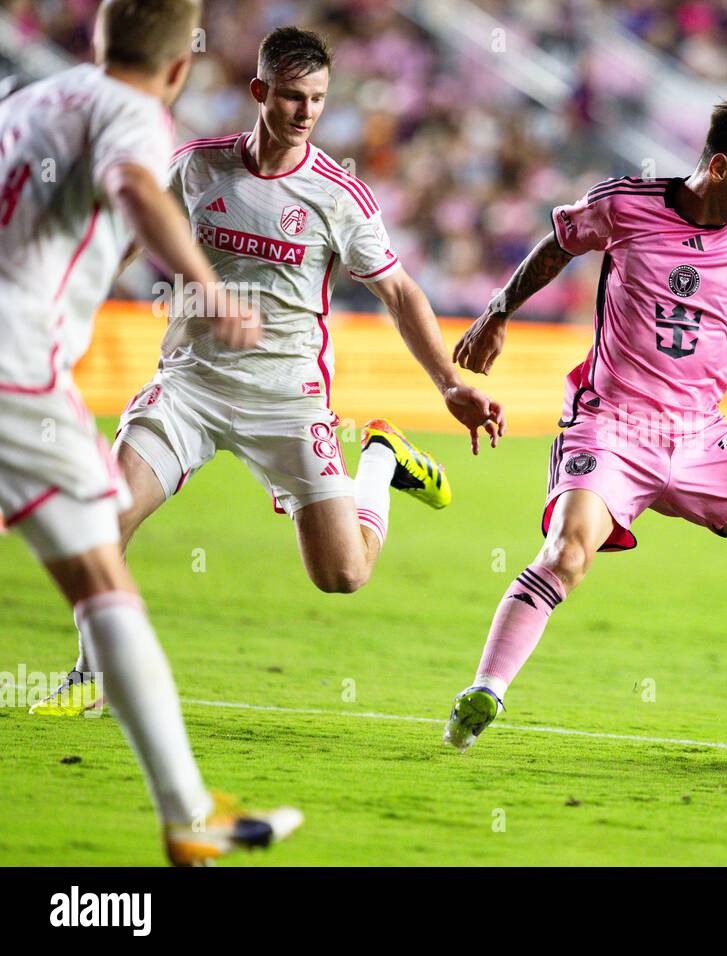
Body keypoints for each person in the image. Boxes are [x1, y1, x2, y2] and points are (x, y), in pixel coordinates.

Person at [31, 26, 505, 716]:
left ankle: (379, 457)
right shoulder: (195, 168)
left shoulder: (338, 196)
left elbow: (400, 292)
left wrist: (450, 384)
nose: (306, 112)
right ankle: (91, 674)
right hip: (190, 385)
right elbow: (121, 246)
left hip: (288, 398)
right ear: (259, 93)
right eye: (291, 97)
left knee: (342, 575)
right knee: (105, 519)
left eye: (317, 98)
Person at [443, 98, 727, 750]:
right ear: (720, 167)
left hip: (700, 435)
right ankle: (485, 692)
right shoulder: (625, 203)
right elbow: (560, 244)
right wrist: (498, 310)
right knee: (568, 554)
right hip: (613, 426)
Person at [0, 0, 299, 863]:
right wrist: (205, 280)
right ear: (178, 72)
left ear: (98, 40)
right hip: (17, 369)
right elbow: (134, 185)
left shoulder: (29, 100)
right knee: (103, 577)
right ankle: (187, 817)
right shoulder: (134, 116)